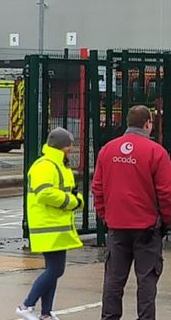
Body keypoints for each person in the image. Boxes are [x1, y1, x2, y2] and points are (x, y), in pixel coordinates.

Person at [92, 105, 171, 320]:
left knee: (114, 280)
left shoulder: (107, 150)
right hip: (147, 227)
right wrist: (166, 221)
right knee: (146, 280)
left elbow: (97, 187)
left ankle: (109, 317)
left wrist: (105, 216)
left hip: (117, 225)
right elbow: (166, 193)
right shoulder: (157, 152)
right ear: (147, 124)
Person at [16, 127, 84, 320]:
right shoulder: (46, 165)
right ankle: (26, 305)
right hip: (48, 225)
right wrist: (71, 202)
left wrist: (74, 200)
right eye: (70, 146)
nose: (71, 149)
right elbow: (45, 193)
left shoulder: (56, 164)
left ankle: (46, 313)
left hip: (55, 225)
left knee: (53, 270)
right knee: (56, 269)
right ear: (63, 147)